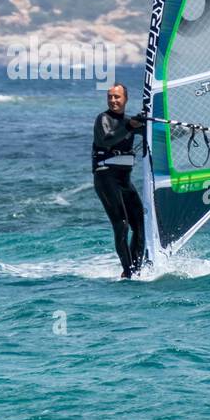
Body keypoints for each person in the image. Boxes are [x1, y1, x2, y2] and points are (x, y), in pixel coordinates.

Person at [92, 83, 146, 278]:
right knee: (121, 224)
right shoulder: (103, 119)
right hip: (105, 177)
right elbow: (106, 140)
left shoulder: (130, 122)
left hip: (124, 180)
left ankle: (136, 269)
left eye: (117, 97)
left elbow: (157, 133)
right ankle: (128, 271)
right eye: (110, 97)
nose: (113, 100)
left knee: (140, 225)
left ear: (126, 99)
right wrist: (130, 126)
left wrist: (188, 130)